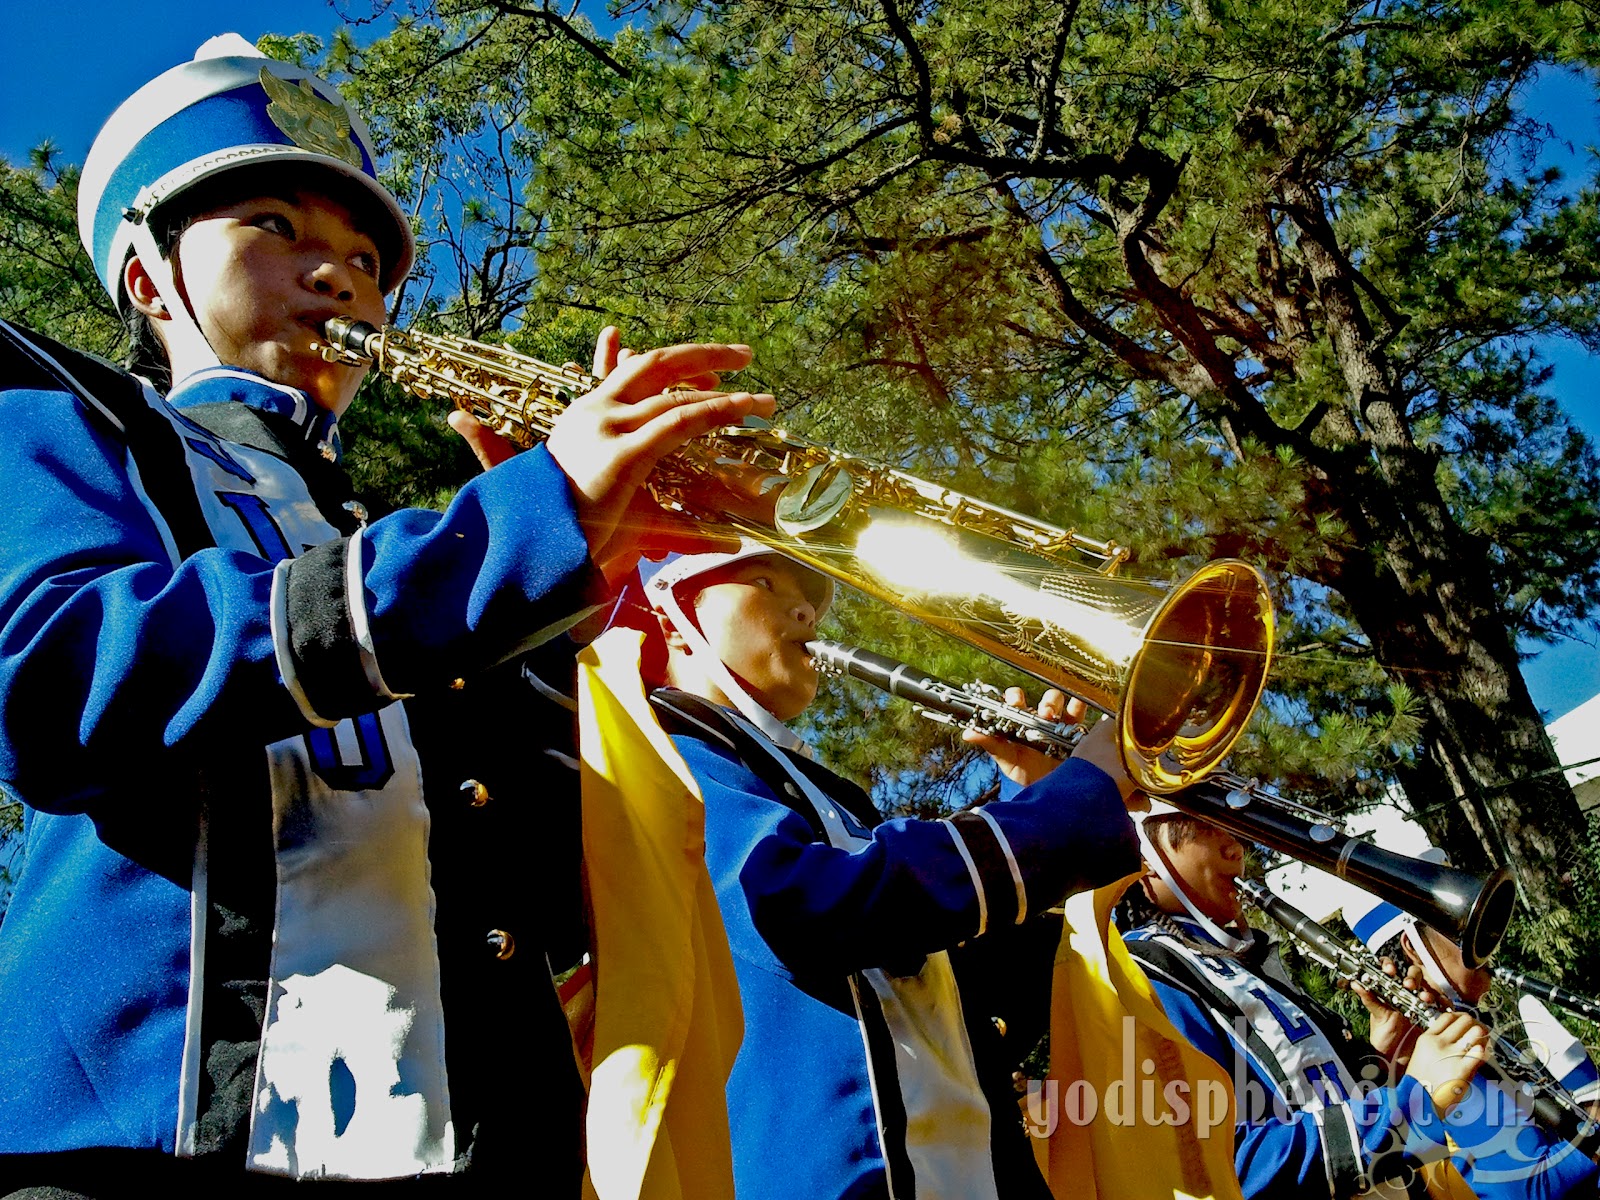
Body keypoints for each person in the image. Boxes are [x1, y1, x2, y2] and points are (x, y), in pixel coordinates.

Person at [0, 35, 772, 1195]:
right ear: (150, 277)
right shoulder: (64, 419)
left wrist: (581, 592)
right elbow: (53, 683)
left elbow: (540, 879)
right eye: (275, 227)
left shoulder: (377, 530)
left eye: (364, 255)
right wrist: (500, 540)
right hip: (143, 1153)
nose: (340, 276)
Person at [624, 540, 1145, 1200]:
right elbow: (805, 907)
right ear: (674, 618)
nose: (806, 613)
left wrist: (1032, 798)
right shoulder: (669, 755)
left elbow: (957, 996)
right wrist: (1069, 806)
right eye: (765, 582)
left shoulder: (825, 795)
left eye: (810, 602)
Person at [1119, 809, 1600, 1199]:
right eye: (1202, 826)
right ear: (1144, 863)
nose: (1235, 845)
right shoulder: (1147, 971)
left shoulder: (1246, 962)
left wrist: (1379, 1059)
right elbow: (1226, 1164)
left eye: (1229, 824)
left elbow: (1327, 1112)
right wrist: (1415, 1098)